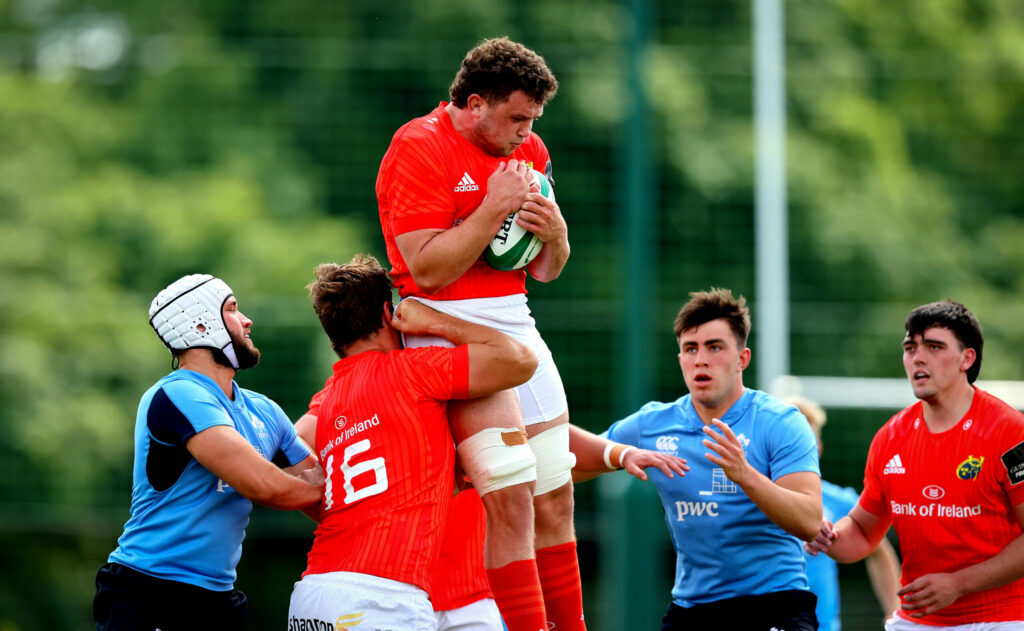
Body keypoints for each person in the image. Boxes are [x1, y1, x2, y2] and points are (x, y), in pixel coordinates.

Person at [376, 37, 578, 630]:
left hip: (516, 323)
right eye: (516, 117)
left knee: (556, 495)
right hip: (446, 328)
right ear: (472, 104)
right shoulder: (418, 145)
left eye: (533, 120)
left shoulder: (531, 151)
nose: (525, 132)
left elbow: (542, 268)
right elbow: (429, 268)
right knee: (511, 496)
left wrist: (559, 236)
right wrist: (493, 207)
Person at [287, 254, 539, 630]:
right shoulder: (412, 372)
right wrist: (435, 321)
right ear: (389, 314)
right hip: (382, 595)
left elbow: (294, 456)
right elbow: (518, 360)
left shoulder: (328, 401)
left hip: (314, 589)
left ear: (332, 335)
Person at [93, 274, 324, 631]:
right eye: (232, 309)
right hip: (150, 592)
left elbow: (320, 497)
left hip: (217, 597)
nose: (247, 320)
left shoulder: (265, 410)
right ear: (201, 324)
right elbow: (266, 485)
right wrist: (335, 484)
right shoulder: (178, 394)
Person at [599, 288, 823, 631]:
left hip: (774, 603)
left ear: (742, 359)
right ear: (681, 361)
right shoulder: (653, 425)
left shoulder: (779, 422)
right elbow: (571, 459)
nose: (701, 359)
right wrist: (622, 453)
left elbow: (809, 520)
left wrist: (744, 473)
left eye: (715, 347)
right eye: (691, 349)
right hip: (693, 609)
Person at [806, 300, 1024, 630]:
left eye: (934, 346)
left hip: (1002, 620)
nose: (918, 357)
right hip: (917, 620)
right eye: (910, 347)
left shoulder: (1010, 432)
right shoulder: (890, 437)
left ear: (968, 358)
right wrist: (828, 536)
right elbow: (864, 532)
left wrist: (958, 584)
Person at [785, 396, 902, 631]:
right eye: (790, 440)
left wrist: (895, 610)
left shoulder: (839, 501)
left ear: (818, 447)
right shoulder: (753, 496)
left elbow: (878, 551)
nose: (798, 448)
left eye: (806, 440)